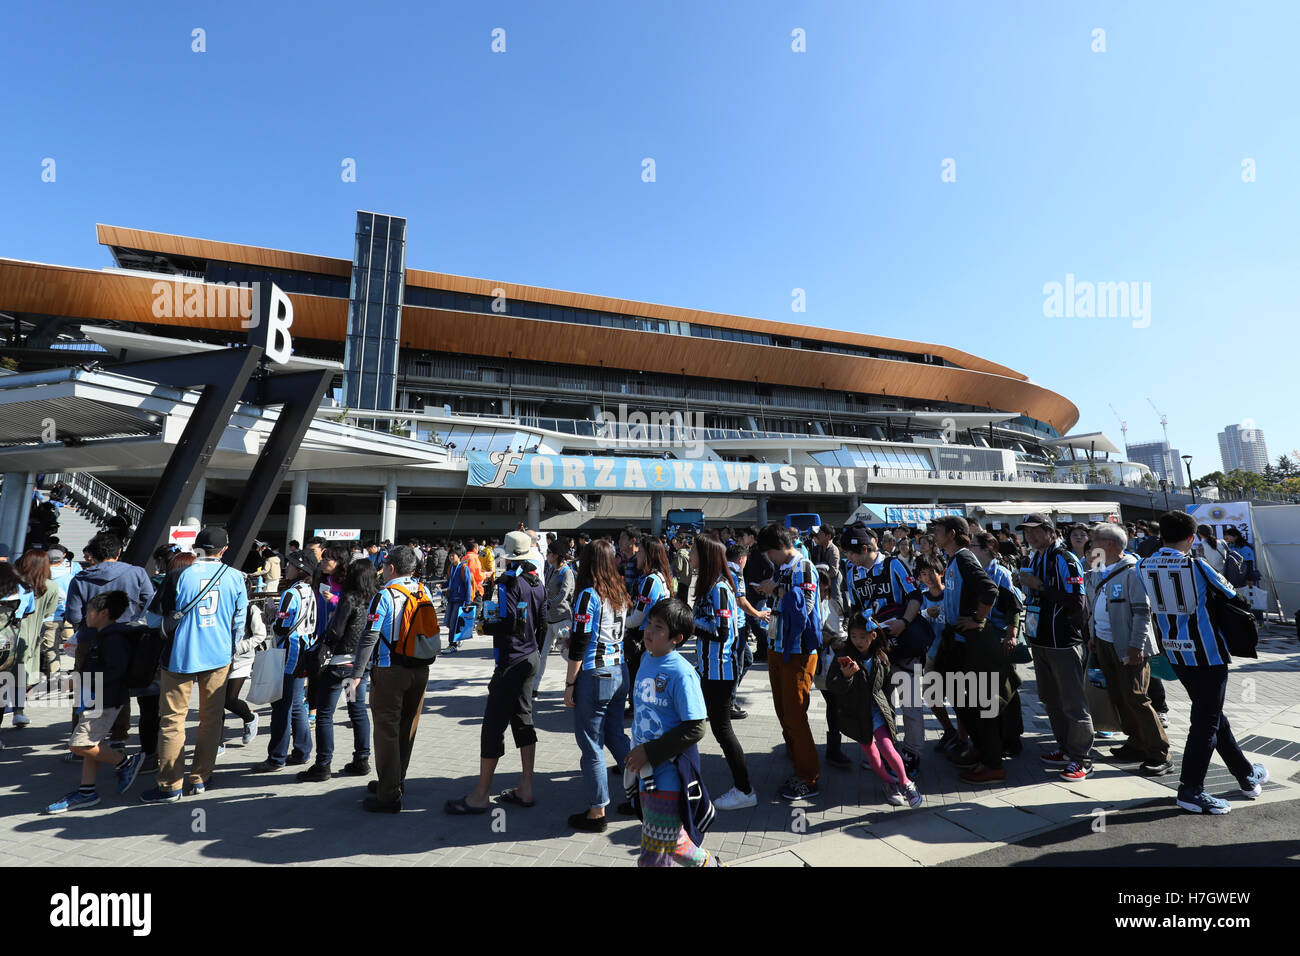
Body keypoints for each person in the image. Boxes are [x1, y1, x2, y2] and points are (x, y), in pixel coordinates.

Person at [1138, 511, 1267, 814]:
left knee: (1211, 714)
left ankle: (1246, 774)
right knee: (1205, 722)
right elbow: (1234, 596)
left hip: (1174, 650)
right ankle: (1191, 789)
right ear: (1191, 537)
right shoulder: (1195, 564)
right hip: (1206, 651)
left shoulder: (1143, 565)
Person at [139, 527, 247, 803]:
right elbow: (239, 622)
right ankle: (201, 777)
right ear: (224, 550)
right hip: (219, 655)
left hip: (180, 655)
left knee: (172, 720)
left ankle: (170, 785)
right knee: (211, 719)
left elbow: (153, 620)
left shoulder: (179, 574)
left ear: (196, 547)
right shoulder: (235, 577)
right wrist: (231, 648)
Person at [446, 531, 546, 814]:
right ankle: (526, 787)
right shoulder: (536, 581)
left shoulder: (508, 582)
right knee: (524, 720)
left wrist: (483, 627)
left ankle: (480, 794)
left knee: (492, 726)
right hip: (530, 657)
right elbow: (542, 622)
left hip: (510, 661)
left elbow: (509, 623)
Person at [625, 597, 721, 867]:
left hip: (668, 776)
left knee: (655, 855)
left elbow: (696, 727)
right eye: (649, 623)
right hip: (645, 773)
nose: (649, 631)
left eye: (659, 627)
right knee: (671, 843)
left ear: (676, 638)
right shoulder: (646, 657)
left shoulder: (682, 673)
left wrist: (649, 752)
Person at [43, 591, 146, 812]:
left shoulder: (114, 639)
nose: (86, 614)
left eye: (89, 610)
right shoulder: (105, 634)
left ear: (103, 613)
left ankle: (127, 762)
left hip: (104, 699)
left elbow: (114, 670)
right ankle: (86, 792)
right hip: (97, 697)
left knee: (79, 744)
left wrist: (80, 681)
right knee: (92, 743)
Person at [1085, 523, 1172, 776]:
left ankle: (1160, 752)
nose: (1090, 545)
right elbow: (1094, 603)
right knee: (1119, 696)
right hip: (1104, 641)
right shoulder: (1101, 568)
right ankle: (1136, 743)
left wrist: (1136, 645)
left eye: (1094, 540)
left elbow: (1142, 612)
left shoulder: (1133, 571)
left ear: (1110, 544)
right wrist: (1093, 634)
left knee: (1136, 697)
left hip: (1128, 645)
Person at [841, 523, 926, 778]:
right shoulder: (852, 573)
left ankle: (912, 753)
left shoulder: (893, 565)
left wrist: (904, 622)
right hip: (876, 650)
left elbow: (915, 596)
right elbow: (856, 610)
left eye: (850, 553)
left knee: (910, 702)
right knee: (882, 703)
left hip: (904, 642)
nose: (848, 557)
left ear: (864, 548)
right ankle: (890, 752)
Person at [350, 545, 431, 812]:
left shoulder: (385, 595)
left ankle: (388, 795)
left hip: (389, 670)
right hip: (420, 668)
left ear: (392, 568)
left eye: (384, 566)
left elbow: (370, 635)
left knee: (386, 731)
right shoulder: (424, 590)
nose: (382, 571)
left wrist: (357, 673)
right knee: (408, 728)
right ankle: (396, 780)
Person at [1016, 512, 1094, 782]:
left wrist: (1040, 586)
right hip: (1040, 640)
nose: (1031, 535)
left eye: (1036, 530)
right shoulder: (1035, 557)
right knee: (1051, 700)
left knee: (1073, 703)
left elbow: (1077, 603)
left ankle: (1082, 758)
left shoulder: (1064, 558)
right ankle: (1065, 748)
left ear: (1051, 532)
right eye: (1027, 531)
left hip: (1063, 642)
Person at [564, 539, 632, 832]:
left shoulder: (588, 595)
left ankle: (597, 810)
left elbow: (579, 644)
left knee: (591, 744)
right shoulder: (620, 591)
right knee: (616, 735)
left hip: (595, 673)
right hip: (620, 669)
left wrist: (569, 683)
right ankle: (642, 792)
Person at [928, 516, 1001, 784]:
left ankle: (993, 765)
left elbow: (989, 590)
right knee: (962, 701)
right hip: (956, 643)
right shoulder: (953, 559)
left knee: (977, 704)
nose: (934, 535)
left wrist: (977, 619)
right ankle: (978, 751)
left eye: (938, 531)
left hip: (970, 645)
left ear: (952, 533)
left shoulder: (964, 558)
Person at [826, 613, 923, 808]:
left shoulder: (881, 657)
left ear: (873, 635)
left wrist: (889, 712)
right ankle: (889, 783)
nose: (858, 641)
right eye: (854, 636)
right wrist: (846, 676)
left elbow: (886, 688)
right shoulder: (844, 657)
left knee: (887, 747)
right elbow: (832, 685)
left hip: (876, 711)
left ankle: (906, 783)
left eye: (863, 636)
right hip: (855, 714)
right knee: (871, 752)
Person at [689, 534, 756, 809]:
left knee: (722, 730)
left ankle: (745, 789)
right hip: (708, 668)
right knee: (702, 724)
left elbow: (722, 632)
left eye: (694, 551)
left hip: (721, 671)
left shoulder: (720, 589)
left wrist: (690, 623)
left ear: (706, 556)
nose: (690, 555)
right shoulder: (708, 586)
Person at [296, 558, 377, 781]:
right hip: (357, 668)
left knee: (324, 713)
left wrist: (332, 620)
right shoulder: (373, 599)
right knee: (356, 710)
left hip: (338, 665)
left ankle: (323, 765)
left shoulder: (349, 598)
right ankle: (361, 759)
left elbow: (336, 632)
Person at [758, 524, 822, 801]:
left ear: (778, 547)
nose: (769, 559)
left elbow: (805, 605)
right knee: (784, 710)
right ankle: (797, 759)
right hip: (779, 646)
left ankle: (808, 776)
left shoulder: (802, 566)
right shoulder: (784, 568)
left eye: (768, 553)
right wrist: (772, 591)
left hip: (797, 651)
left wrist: (777, 588)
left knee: (795, 714)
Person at [249, 550, 317, 774]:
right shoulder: (310, 590)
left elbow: (280, 626)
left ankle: (276, 758)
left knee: (281, 708)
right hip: (304, 651)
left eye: (290, 565)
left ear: (299, 569)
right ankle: (302, 751)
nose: (287, 568)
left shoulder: (291, 593)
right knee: (296, 704)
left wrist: (270, 614)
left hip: (289, 654)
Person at [623, 535, 672, 717]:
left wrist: (618, 622)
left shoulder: (651, 581)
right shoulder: (655, 577)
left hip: (646, 638)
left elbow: (637, 618)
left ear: (649, 554)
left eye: (641, 551)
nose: (637, 555)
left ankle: (637, 707)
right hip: (653, 637)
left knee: (638, 674)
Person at [536, 539, 575, 697]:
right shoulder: (551, 570)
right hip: (550, 620)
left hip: (563, 620)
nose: (546, 555)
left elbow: (563, 595)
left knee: (566, 654)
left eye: (549, 553)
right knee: (542, 655)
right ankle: (534, 688)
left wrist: (547, 603)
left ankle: (578, 681)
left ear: (556, 555)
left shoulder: (567, 572)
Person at [443, 545, 474, 653]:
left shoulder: (464, 568)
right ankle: (457, 639)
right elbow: (448, 581)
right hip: (451, 598)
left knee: (453, 623)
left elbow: (468, 585)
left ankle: (452, 645)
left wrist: (468, 601)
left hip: (459, 599)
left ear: (459, 556)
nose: (451, 557)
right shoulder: (451, 567)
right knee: (447, 622)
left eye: (453, 555)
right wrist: (441, 585)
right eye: (450, 555)